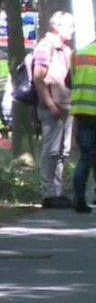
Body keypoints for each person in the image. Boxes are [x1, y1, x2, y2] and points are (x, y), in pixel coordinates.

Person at [35, 11, 75, 209]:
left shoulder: (65, 49)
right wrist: (49, 103)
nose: (73, 31)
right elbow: (38, 77)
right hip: (52, 107)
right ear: (57, 27)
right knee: (50, 151)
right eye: (70, 27)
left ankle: (57, 192)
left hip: (66, 105)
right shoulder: (45, 46)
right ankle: (48, 192)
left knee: (63, 151)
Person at [71, 37, 96, 213]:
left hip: (81, 111)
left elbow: (70, 81)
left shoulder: (79, 54)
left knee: (85, 157)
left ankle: (79, 200)